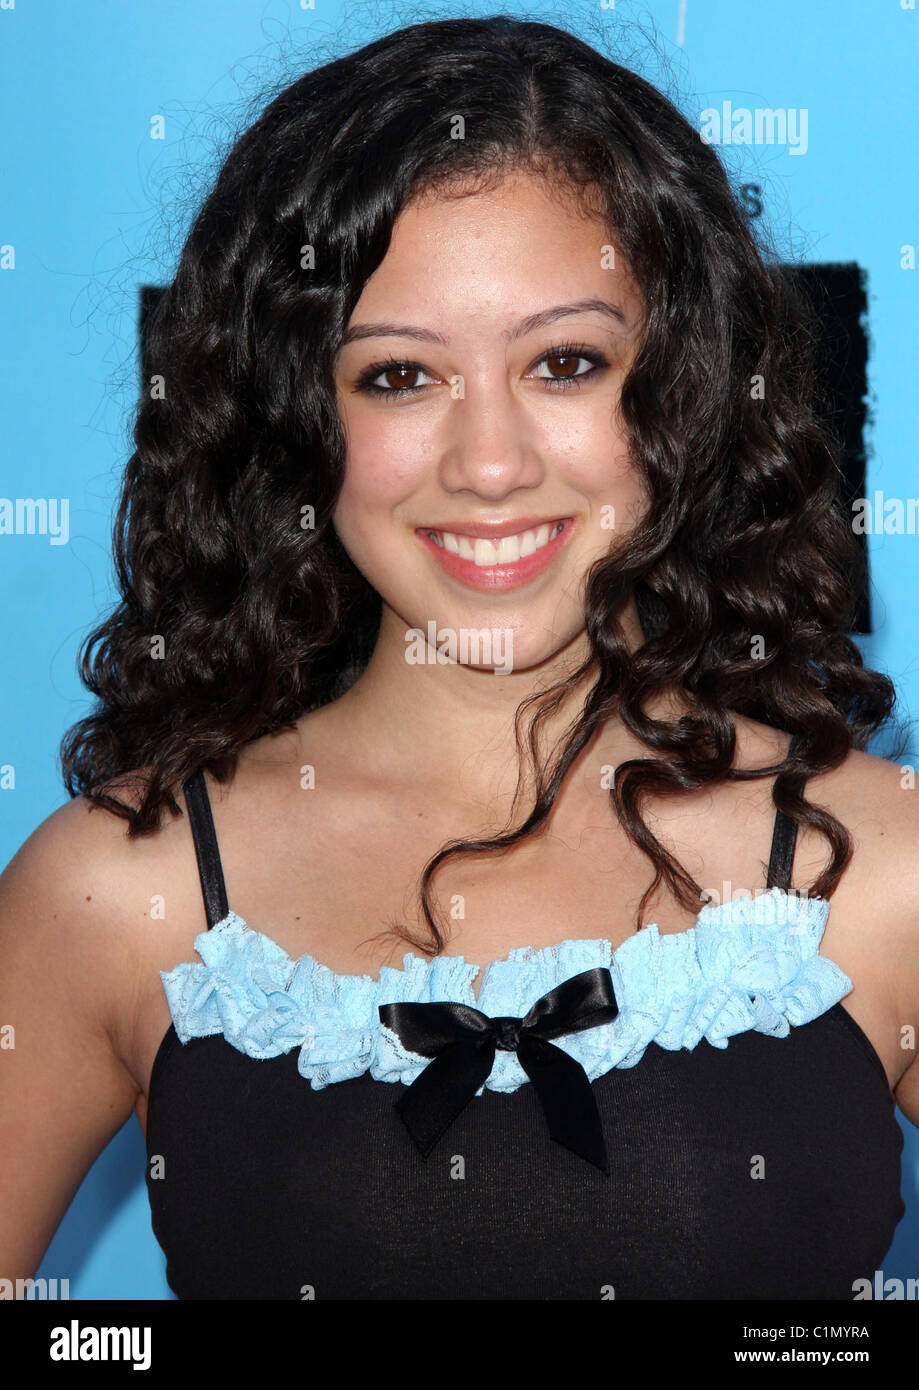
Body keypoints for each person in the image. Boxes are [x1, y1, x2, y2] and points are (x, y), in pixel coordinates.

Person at [1, 14, 917, 1301]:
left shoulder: (877, 868)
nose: (490, 464)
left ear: (686, 385)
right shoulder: (119, 887)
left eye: (565, 362)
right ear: (290, 416)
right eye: (396, 378)